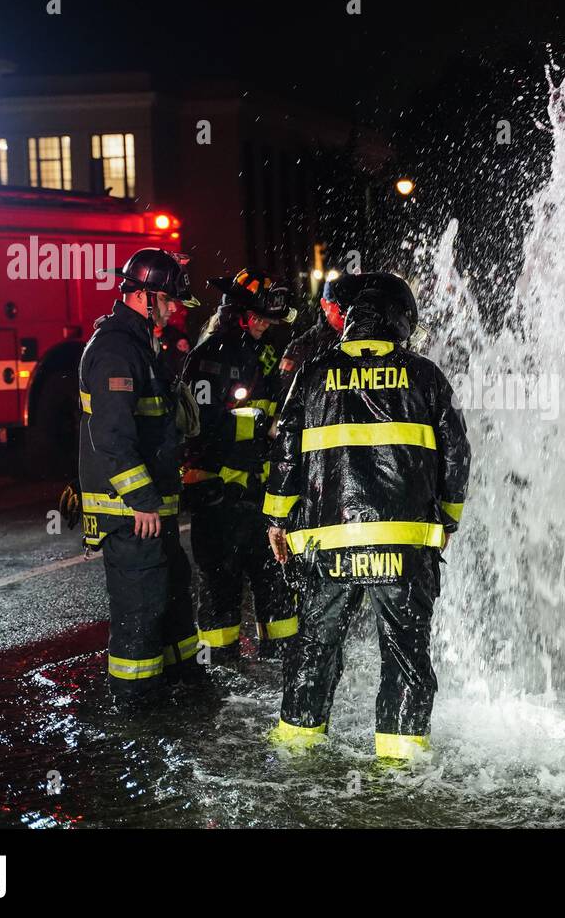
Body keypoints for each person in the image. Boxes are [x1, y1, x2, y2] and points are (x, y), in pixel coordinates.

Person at [263, 273, 471, 760]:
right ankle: (399, 762)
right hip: (404, 548)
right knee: (404, 653)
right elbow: (457, 455)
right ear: (400, 321)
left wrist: (276, 520)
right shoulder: (424, 376)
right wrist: (447, 523)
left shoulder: (312, 374)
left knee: (315, 647)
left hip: (327, 544)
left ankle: (296, 748)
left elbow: (286, 453)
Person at [80, 247, 204, 706]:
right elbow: (111, 437)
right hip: (132, 514)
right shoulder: (115, 350)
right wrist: (144, 501)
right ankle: (136, 705)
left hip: (152, 511)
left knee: (172, 594)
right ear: (145, 296)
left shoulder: (142, 346)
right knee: (142, 606)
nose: (174, 310)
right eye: (169, 301)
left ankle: (180, 684)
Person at [179, 268, 297, 664]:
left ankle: (281, 663)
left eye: (269, 318)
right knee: (221, 584)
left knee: (273, 581)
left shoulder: (260, 352)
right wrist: (262, 424)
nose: (266, 324)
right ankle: (220, 668)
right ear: (239, 313)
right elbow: (202, 425)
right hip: (218, 494)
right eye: (260, 316)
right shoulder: (210, 355)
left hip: (256, 492)